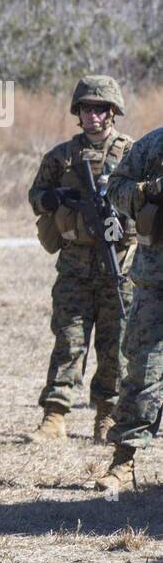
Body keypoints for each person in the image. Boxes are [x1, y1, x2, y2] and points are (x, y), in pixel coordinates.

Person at [27, 76, 134, 443]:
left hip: (118, 266)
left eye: (101, 108)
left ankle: (107, 415)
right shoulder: (62, 156)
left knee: (114, 345)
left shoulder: (133, 154)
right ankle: (54, 416)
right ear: (78, 112)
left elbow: (149, 198)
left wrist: (123, 211)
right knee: (69, 341)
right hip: (74, 266)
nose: (93, 115)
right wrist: (55, 199)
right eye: (87, 108)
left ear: (113, 112)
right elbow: (35, 196)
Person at [92, 115, 163, 494]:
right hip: (156, 283)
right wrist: (150, 191)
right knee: (142, 371)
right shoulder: (153, 145)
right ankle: (123, 462)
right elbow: (116, 187)